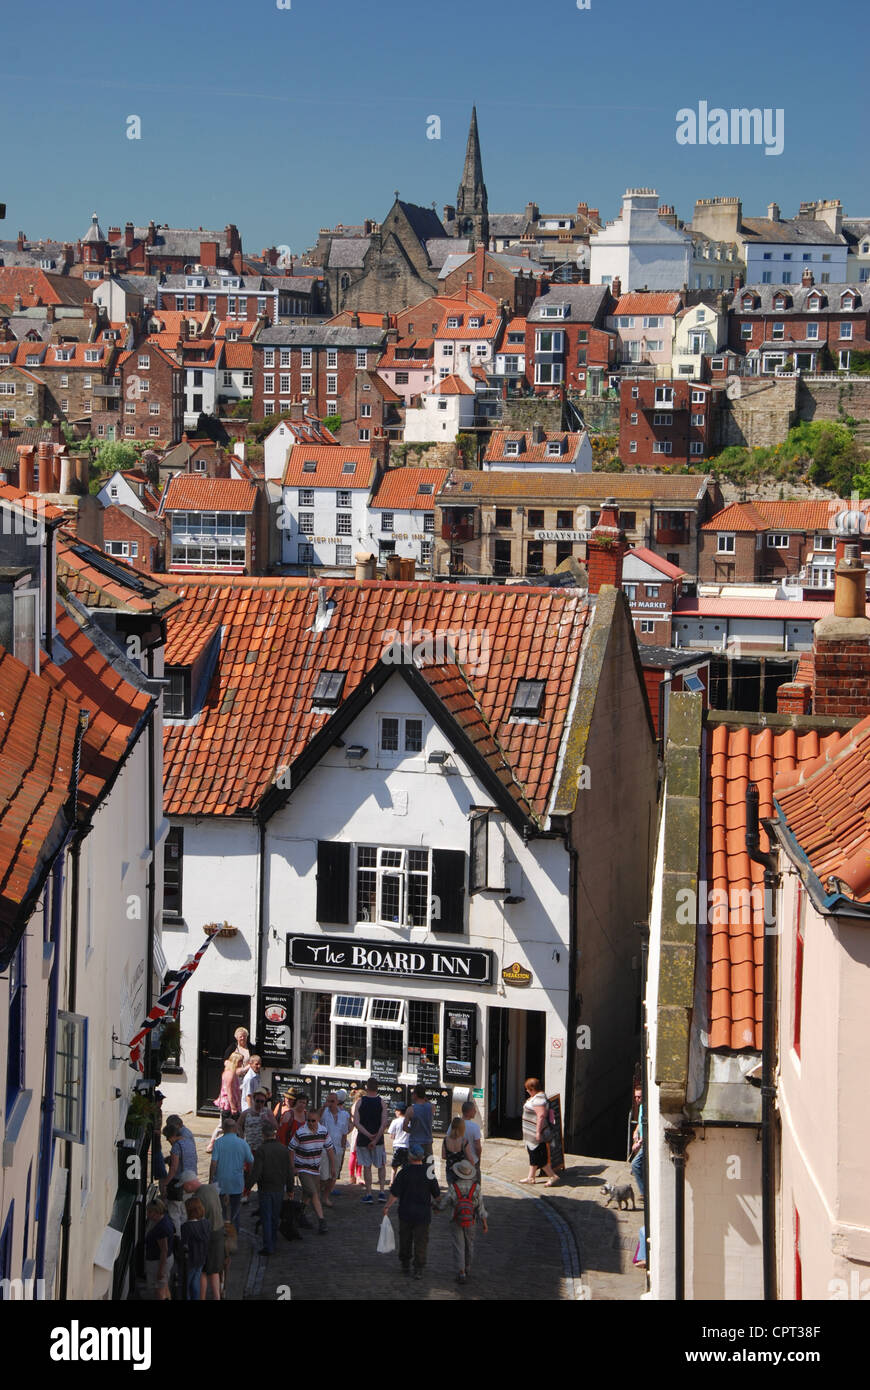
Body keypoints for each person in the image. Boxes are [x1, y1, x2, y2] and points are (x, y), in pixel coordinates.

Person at [384, 1144, 440, 1281]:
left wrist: (387, 1206)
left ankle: (405, 1264)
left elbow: (394, 1194)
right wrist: (436, 1205)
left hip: (406, 1212)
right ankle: (418, 1269)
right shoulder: (429, 1172)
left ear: (410, 1157)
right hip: (423, 1214)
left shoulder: (404, 1172)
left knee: (405, 1239)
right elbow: (437, 1195)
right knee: (421, 1241)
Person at [438, 1157, 488, 1285]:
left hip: (456, 1219)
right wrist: (484, 1223)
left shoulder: (454, 1187)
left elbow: (444, 1203)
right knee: (469, 1244)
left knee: (458, 1245)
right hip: (471, 1220)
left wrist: (437, 1208)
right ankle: (468, 1267)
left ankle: (461, 1272)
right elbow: (480, 1207)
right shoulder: (476, 1188)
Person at [289, 1104, 335, 1234]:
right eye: (308, 1120)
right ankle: (321, 1220)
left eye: (313, 1120)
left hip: (315, 1167)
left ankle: (299, 1215)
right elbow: (291, 1148)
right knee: (314, 1192)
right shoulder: (301, 1132)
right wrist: (292, 1167)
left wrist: (332, 1166)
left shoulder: (323, 1131)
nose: (310, 1123)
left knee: (308, 1194)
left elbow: (330, 1148)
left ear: (318, 1120)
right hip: (302, 1167)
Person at [180, 1170, 225, 1302]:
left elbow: (197, 1218)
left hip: (209, 1235)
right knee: (215, 1269)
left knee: (204, 1271)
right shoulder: (210, 1189)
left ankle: (202, 1297)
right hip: (219, 1230)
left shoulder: (198, 1198)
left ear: (188, 1185)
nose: (184, 1189)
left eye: (184, 1186)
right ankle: (217, 1297)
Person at [250, 1115, 292, 1255]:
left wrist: (247, 1187)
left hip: (266, 1188)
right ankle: (273, 1241)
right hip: (279, 1188)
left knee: (266, 1217)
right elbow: (289, 1171)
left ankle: (269, 1245)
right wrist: (290, 1188)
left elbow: (256, 1172)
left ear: (263, 1135)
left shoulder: (262, 1150)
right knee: (274, 1217)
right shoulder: (283, 1149)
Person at [209, 1116, 253, 1229]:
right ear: (235, 1129)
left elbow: (213, 1163)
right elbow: (251, 1161)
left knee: (221, 1210)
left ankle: (222, 1230)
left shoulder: (218, 1143)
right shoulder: (242, 1143)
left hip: (221, 1182)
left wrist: (210, 1179)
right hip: (236, 1182)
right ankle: (234, 1232)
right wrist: (250, 1175)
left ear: (223, 1128)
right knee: (235, 1211)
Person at [353, 1079, 388, 1203]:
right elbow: (384, 1124)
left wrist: (368, 1136)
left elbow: (356, 1122)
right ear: (377, 1088)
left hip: (363, 1139)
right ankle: (382, 1192)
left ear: (367, 1087)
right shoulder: (382, 1103)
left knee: (367, 1166)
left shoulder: (360, 1102)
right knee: (381, 1165)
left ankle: (368, 1193)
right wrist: (375, 1138)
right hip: (378, 1140)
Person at [520, 1078, 559, 1187]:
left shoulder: (539, 1100)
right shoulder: (536, 1097)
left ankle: (553, 1176)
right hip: (530, 1133)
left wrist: (537, 1133)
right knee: (533, 1154)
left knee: (538, 1157)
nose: (527, 1091)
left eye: (528, 1089)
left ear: (532, 1089)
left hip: (535, 1134)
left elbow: (541, 1116)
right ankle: (531, 1177)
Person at [320, 1092, 351, 1204]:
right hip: (324, 1148)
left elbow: (345, 1131)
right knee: (323, 1175)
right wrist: (323, 1107)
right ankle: (317, 1194)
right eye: (329, 1101)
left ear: (337, 1102)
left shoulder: (344, 1115)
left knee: (333, 1175)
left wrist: (342, 1148)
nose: (330, 1104)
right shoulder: (324, 1113)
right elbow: (316, 1120)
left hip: (337, 1148)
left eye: (332, 1101)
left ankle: (325, 1197)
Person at [180, 1195, 210, 1301]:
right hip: (202, 1258)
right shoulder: (206, 1223)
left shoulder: (186, 1227)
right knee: (196, 1281)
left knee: (186, 1285)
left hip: (190, 1260)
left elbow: (183, 1243)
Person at [144, 1198, 175, 1300]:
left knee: (159, 1291)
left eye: (149, 1212)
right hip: (166, 1259)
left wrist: (160, 1270)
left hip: (158, 1262)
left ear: (156, 1212)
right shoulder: (166, 1218)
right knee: (164, 1287)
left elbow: (163, 1250)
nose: (147, 1214)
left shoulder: (161, 1228)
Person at [403, 1085, 434, 1161]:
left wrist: (413, 1130)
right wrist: (424, 1098)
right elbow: (429, 1103)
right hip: (428, 1143)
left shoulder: (410, 1110)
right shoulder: (432, 1107)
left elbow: (404, 1127)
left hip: (415, 1143)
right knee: (429, 1169)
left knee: (414, 1168)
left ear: (415, 1095)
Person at [441, 1117, 476, 1183]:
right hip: (461, 1171)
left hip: (450, 1169)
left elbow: (443, 1156)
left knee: (452, 1189)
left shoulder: (445, 1140)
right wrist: (473, 1168)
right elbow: (470, 1158)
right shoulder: (464, 1141)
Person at [164, 1120, 198, 1186]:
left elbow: (174, 1168)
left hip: (181, 1180)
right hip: (193, 1176)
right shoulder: (189, 1141)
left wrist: (165, 1183)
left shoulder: (176, 1146)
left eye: (167, 1137)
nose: (167, 1140)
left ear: (173, 1136)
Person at [214, 1052, 243, 1120]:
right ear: (236, 1061)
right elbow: (229, 1091)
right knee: (230, 1125)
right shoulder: (230, 1074)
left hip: (232, 1102)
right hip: (229, 1104)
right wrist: (233, 1107)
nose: (242, 1063)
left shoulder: (232, 1072)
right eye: (241, 1061)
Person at [630, 1083, 645, 1200]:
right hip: (641, 1141)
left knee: (635, 1165)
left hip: (645, 1143)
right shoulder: (640, 1108)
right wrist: (636, 1132)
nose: (637, 1099)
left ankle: (644, 1193)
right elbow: (640, 1124)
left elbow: (648, 1128)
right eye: (635, 1097)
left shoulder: (646, 1108)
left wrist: (639, 1143)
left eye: (639, 1097)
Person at [461, 1101, 482, 1178]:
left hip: (458, 1160)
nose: (475, 1111)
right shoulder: (474, 1127)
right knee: (475, 1185)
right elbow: (477, 1147)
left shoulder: (454, 1124)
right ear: (469, 1112)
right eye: (474, 1109)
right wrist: (479, 1157)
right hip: (472, 1161)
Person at [387, 1102, 411, 1172]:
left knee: (394, 1166)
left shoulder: (395, 1121)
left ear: (399, 1111)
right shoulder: (409, 1122)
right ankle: (405, 1181)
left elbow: (391, 1135)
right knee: (405, 1166)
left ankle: (392, 1181)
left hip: (397, 1145)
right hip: (407, 1145)